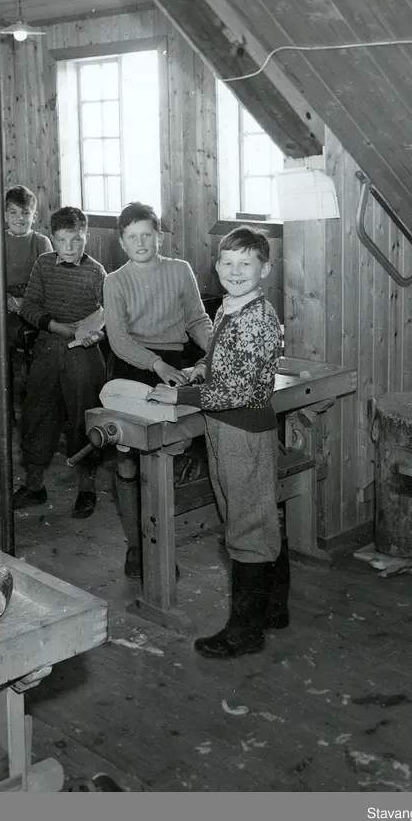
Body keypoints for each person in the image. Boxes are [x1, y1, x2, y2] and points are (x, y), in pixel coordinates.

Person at [147, 226, 284, 659]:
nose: (235, 271)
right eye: (227, 263)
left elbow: (239, 390)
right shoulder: (231, 308)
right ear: (217, 266)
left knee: (247, 524)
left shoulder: (259, 317)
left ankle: (246, 630)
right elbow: (220, 359)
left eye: (247, 264)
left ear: (265, 268)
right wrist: (197, 370)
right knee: (250, 515)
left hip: (242, 430)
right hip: (224, 428)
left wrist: (180, 394)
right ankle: (273, 610)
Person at [104, 202, 213, 576]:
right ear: (122, 242)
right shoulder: (114, 281)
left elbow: (198, 320)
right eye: (132, 237)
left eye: (147, 235)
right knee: (128, 457)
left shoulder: (180, 270)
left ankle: (160, 546)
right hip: (132, 366)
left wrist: (217, 347)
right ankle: (137, 547)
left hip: (176, 363)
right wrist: (157, 365)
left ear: (159, 235)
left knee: (164, 457)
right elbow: (118, 339)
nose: (140, 243)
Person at [12, 207, 108, 519]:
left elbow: (109, 316)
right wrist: (54, 326)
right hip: (49, 347)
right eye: (62, 240)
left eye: (76, 240)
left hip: (83, 354)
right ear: (52, 237)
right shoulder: (43, 264)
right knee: (37, 415)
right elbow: (29, 306)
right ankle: (35, 486)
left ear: (86, 237)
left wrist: (96, 334)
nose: (69, 247)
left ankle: (87, 490)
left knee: (84, 420)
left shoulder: (96, 272)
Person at [0, 185, 53, 338]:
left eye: (25, 213)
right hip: (4, 302)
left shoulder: (41, 242)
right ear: (5, 216)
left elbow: (49, 282)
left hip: (34, 301)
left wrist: (27, 300)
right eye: (13, 212)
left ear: (34, 216)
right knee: (5, 337)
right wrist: (4, 298)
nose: (19, 218)